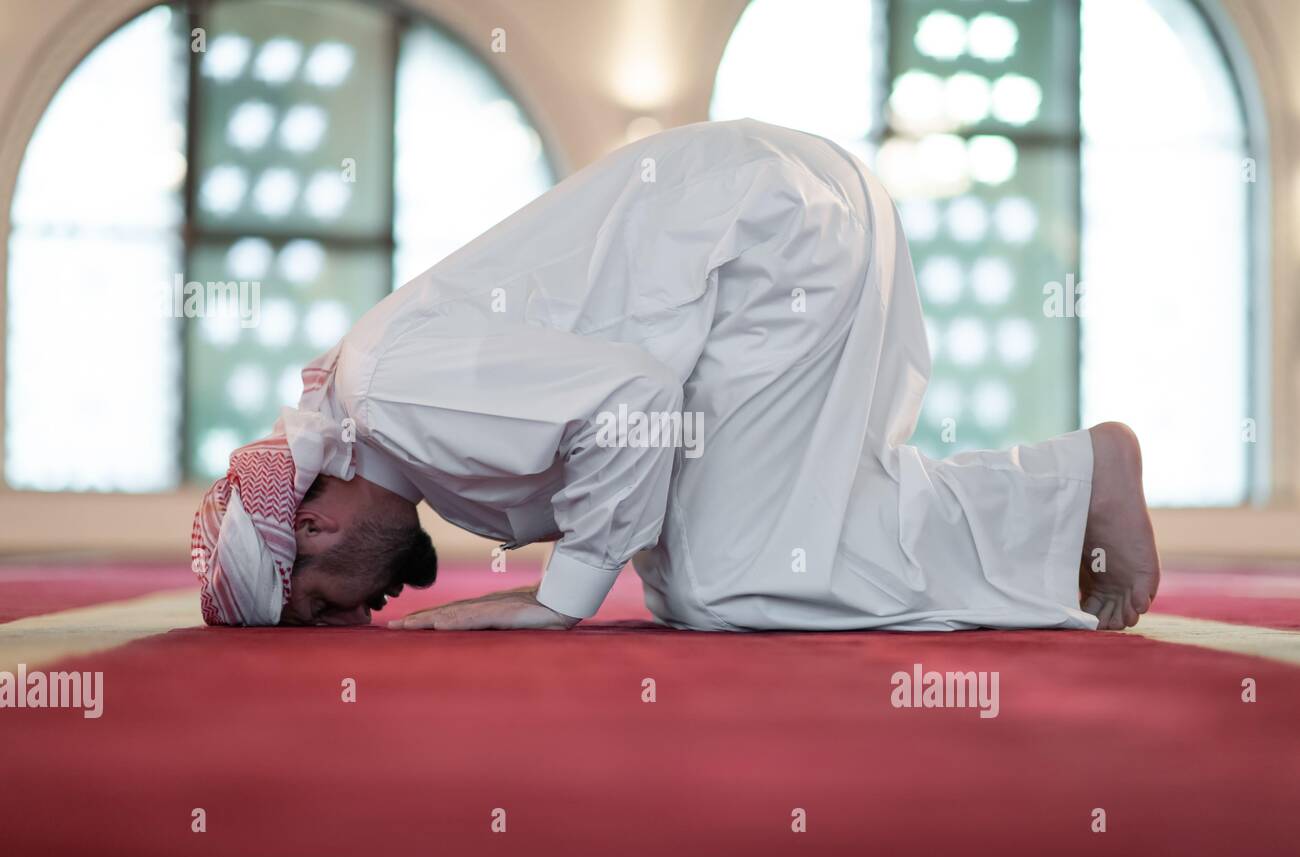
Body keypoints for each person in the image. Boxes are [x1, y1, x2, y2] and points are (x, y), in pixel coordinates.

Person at [191, 119, 1159, 632]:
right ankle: (1060, 506)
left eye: (319, 600)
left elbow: (632, 401)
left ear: (309, 527)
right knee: (742, 558)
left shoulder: (391, 394)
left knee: (724, 582)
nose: (360, 612)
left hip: (766, 243)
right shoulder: (390, 408)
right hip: (778, 225)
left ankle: (1074, 486)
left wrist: (555, 603)